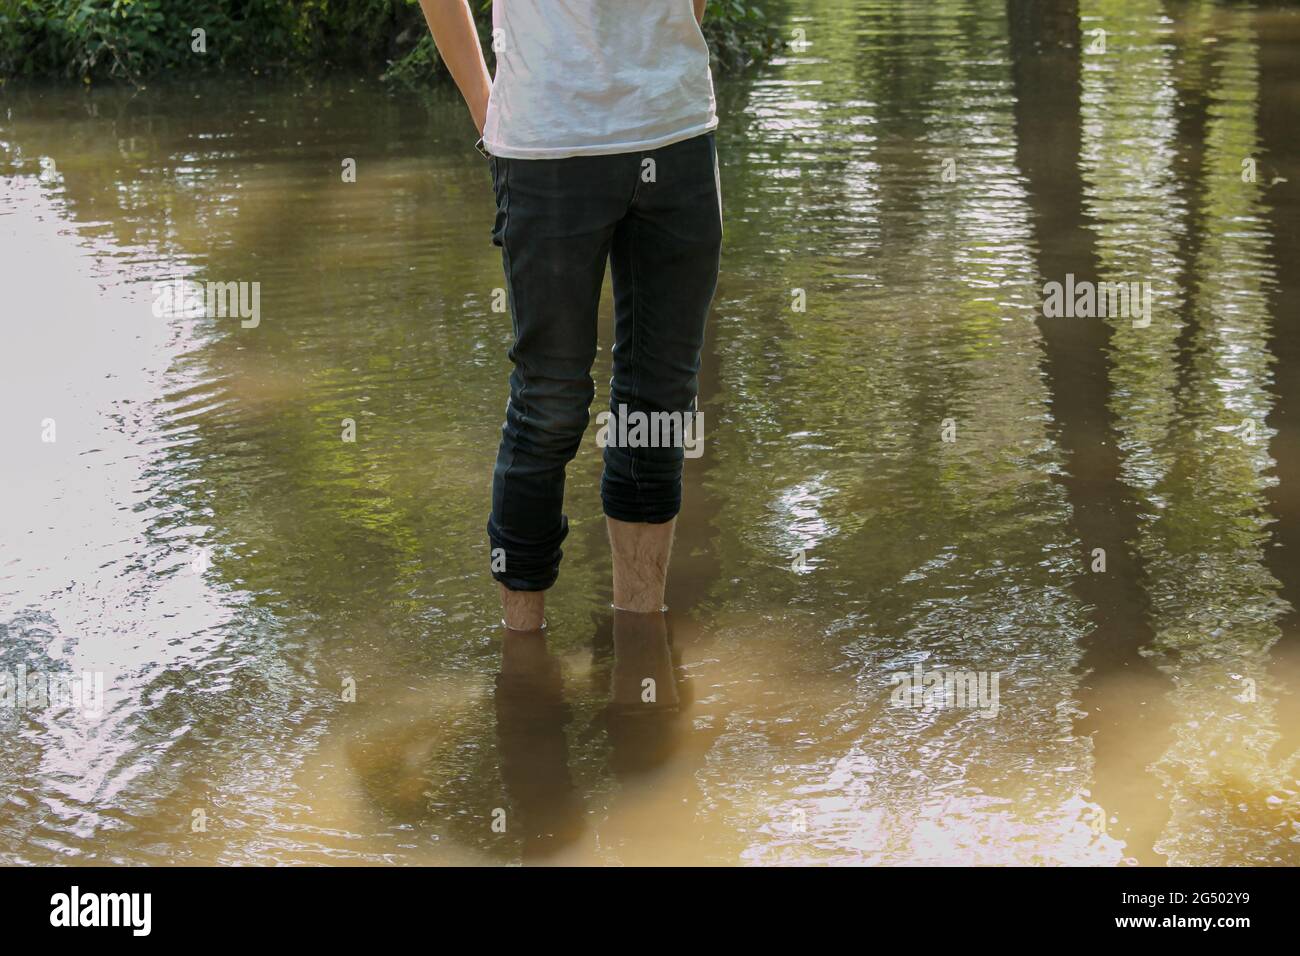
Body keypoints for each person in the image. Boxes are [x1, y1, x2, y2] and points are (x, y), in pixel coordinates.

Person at [418, 1, 723, 630]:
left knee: (660, 404)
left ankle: (640, 638)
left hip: (677, 130)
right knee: (548, 404)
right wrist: (485, 102)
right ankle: (523, 661)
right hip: (545, 141)